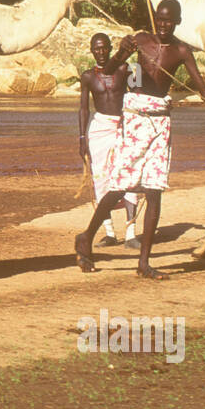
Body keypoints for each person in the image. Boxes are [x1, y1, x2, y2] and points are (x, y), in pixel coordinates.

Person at [74, 0, 205, 279]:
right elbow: (110, 70)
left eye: (169, 21)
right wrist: (122, 51)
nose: (163, 25)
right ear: (154, 19)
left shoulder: (182, 51)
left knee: (154, 190)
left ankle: (143, 263)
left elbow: (200, 84)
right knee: (120, 185)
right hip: (135, 116)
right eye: (159, 19)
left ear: (177, 22)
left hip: (161, 120)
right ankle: (86, 236)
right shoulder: (140, 40)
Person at [78, 32, 139, 248]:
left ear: (111, 48)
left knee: (128, 177)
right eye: (97, 48)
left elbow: (139, 91)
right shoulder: (87, 76)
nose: (101, 52)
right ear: (92, 50)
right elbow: (84, 108)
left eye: (104, 48)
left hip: (123, 126)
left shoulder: (126, 69)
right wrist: (82, 137)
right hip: (99, 129)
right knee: (101, 179)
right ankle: (110, 232)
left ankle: (131, 233)